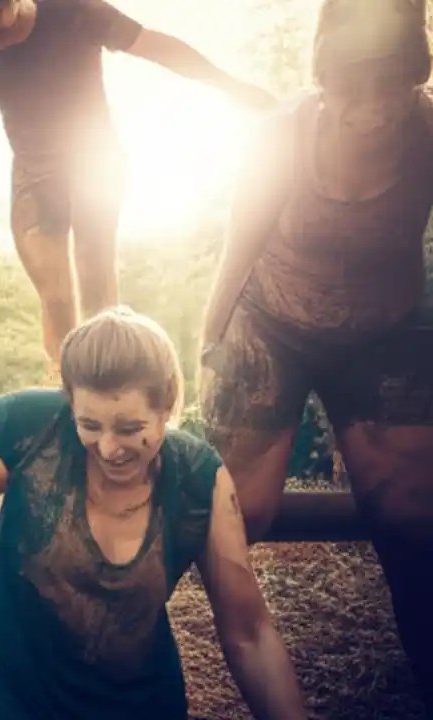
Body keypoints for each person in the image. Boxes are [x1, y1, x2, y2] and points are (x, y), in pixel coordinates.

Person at [199, 0, 433, 706]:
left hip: (384, 329)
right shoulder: (283, 133)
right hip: (272, 320)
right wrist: (209, 346)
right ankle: (221, 655)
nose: (369, 109)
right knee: (246, 507)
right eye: (350, 89)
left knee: (408, 505)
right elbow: (237, 247)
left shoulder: (428, 129)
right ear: (324, 79)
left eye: (387, 88)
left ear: (413, 80)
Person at [0, 307, 306, 719]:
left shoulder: (196, 478)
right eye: (90, 425)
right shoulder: (33, 430)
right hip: (17, 699)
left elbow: (249, 633)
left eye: (131, 429)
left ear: (166, 405)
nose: (109, 449)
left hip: (139, 705)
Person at [0, 0, 276, 365]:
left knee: (96, 285)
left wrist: (230, 85)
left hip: (93, 161)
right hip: (35, 177)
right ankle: (70, 391)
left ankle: (114, 380)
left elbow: (158, 48)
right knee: (55, 299)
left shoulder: (73, 12)